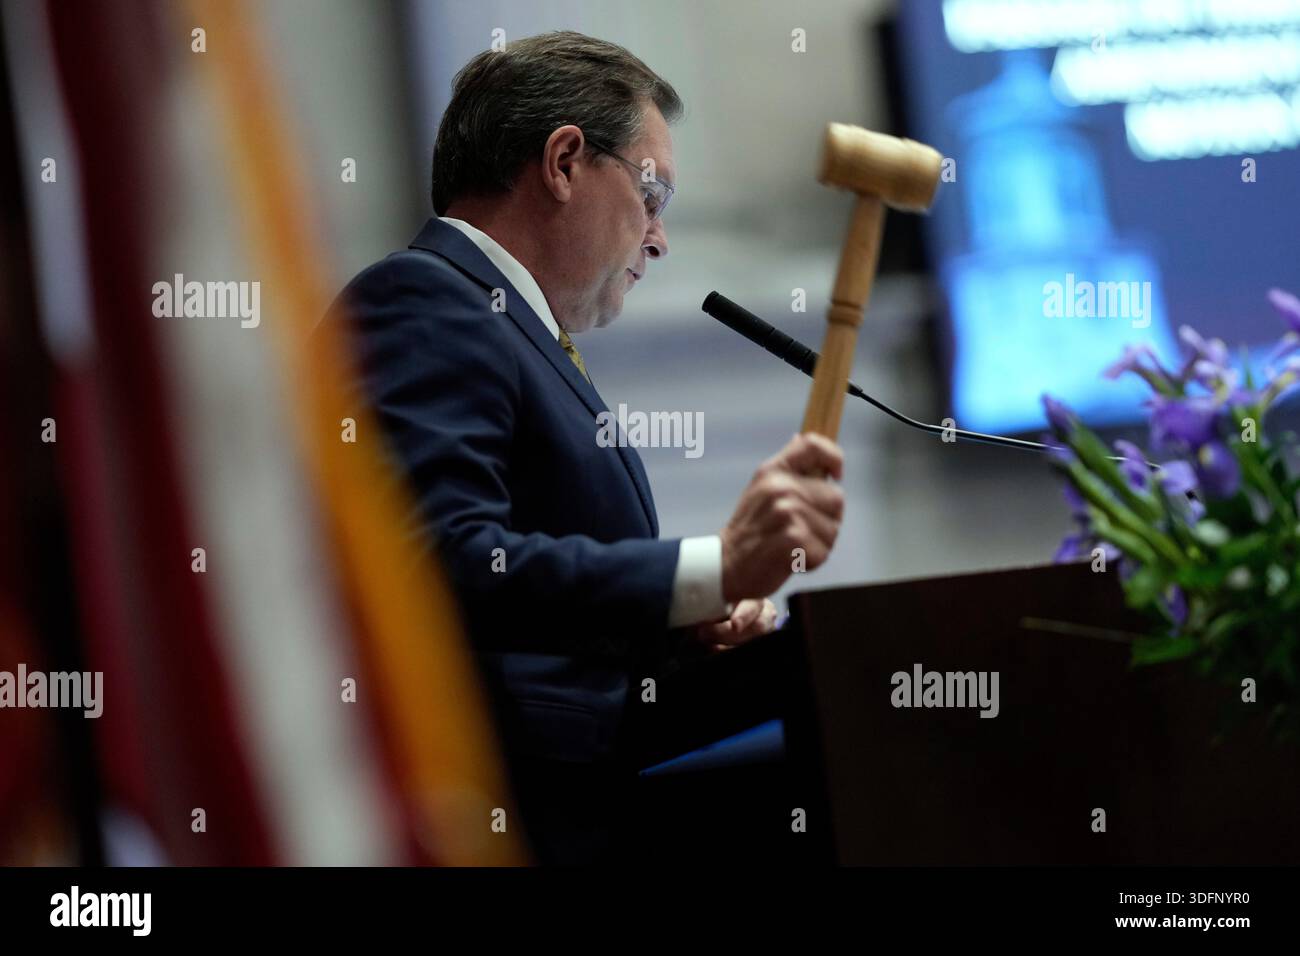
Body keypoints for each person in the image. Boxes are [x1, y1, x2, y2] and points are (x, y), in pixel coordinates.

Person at [330, 30, 844, 864]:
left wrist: (685, 627)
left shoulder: (505, 324)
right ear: (565, 161)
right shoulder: (424, 300)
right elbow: (434, 563)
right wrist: (709, 569)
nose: (660, 239)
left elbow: (530, 607)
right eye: (654, 196)